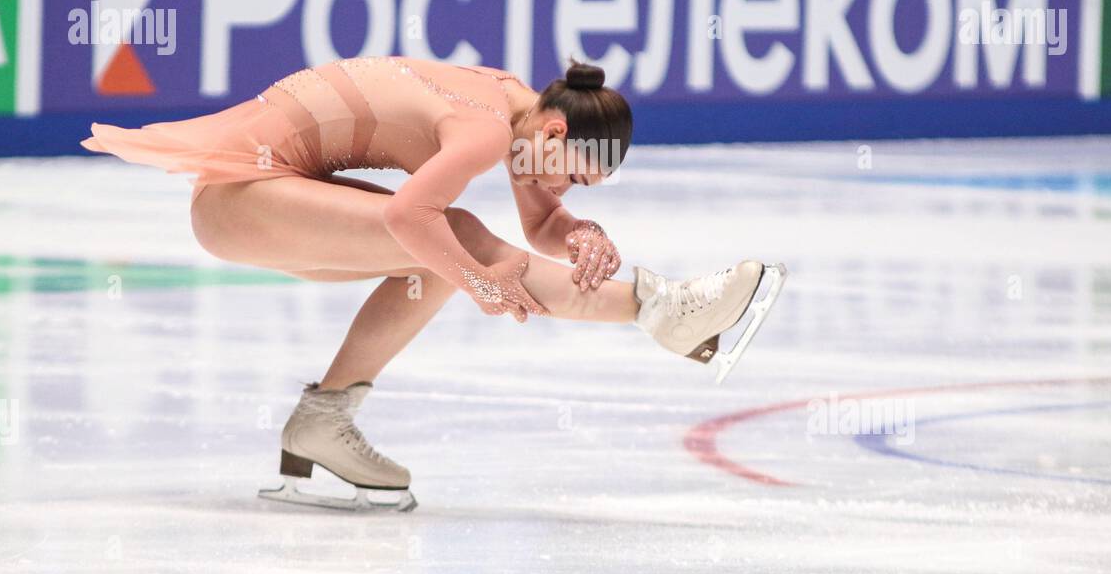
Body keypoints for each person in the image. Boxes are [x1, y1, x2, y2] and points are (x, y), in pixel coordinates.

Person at [82, 55, 785, 511]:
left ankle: (324, 421)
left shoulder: (518, 111)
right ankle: (663, 310)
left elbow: (537, 224)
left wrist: (575, 231)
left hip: (265, 194)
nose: (560, 185)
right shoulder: (484, 130)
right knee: (453, 239)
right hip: (241, 200)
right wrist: (481, 283)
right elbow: (408, 213)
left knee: (446, 248)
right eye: (570, 171)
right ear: (554, 128)